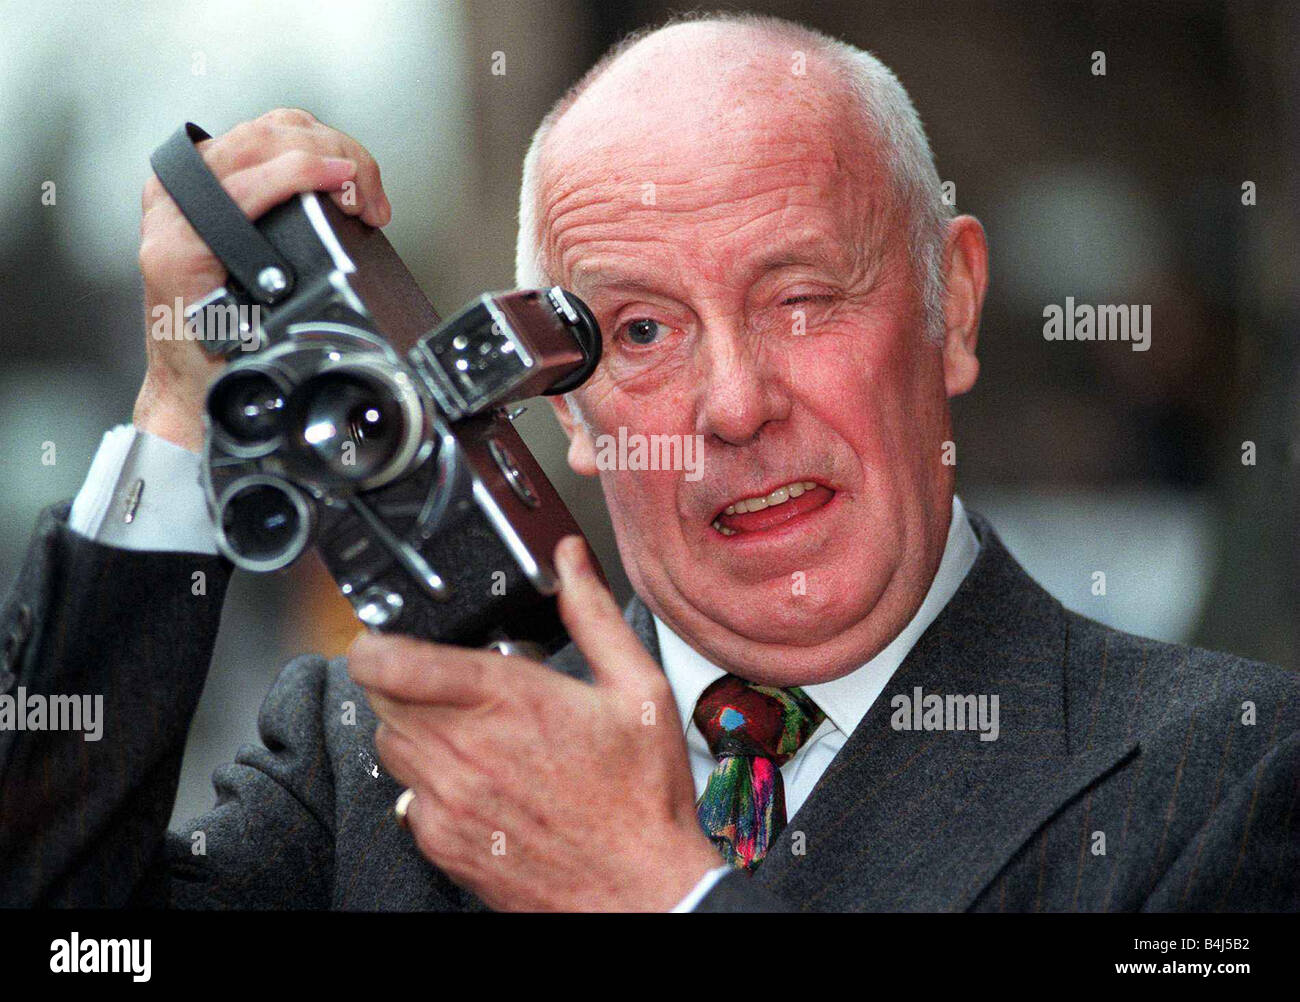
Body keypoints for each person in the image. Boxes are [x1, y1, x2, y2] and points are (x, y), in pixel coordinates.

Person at [1, 13, 1296, 912]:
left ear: (951, 307)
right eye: (636, 329)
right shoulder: (377, 758)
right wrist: (183, 412)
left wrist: (663, 890)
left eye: (801, 299)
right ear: (556, 400)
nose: (733, 404)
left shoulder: (1224, 774)